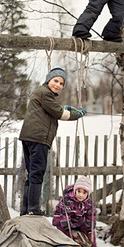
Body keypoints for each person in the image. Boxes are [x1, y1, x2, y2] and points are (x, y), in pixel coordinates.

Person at [18, 67, 86, 215]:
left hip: (29, 136)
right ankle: (34, 209)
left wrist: (62, 107)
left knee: (32, 173)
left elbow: (51, 109)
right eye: (56, 81)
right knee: (37, 173)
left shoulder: (43, 94)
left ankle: (26, 208)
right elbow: (59, 113)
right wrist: (77, 114)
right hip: (38, 138)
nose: (58, 85)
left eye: (61, 83)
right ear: (49, 79)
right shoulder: (45, 94)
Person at [52, 175, 98, 247]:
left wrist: (89, 229)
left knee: (90, 235)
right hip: (63, 222)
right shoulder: (67, 200)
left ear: (88, 194)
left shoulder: (88, 203)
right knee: (66, 236)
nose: (81, 195)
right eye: (79, 191)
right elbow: (64, 216)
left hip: (78, 221)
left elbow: (91, 216)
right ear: (75, 190)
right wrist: (69, 229)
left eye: (84, 193)